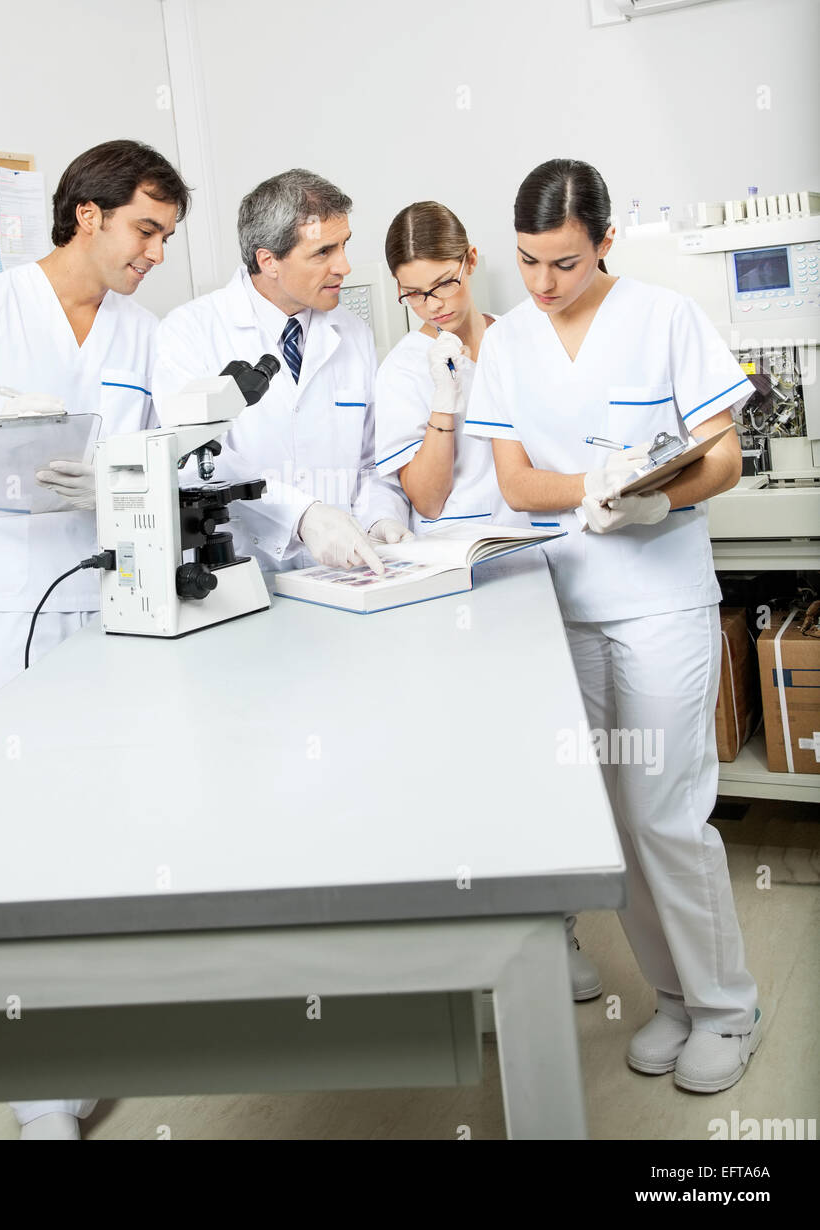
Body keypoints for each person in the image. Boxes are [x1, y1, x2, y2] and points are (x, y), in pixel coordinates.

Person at [0, 139, 191, 1138]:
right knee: (19, 838)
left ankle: (94, 1043)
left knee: (102, 823)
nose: (154, 251)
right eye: (145, 229)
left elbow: (159, 452)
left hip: (104, 595)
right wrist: (24, 466)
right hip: (0, 603)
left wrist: (128, 477)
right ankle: (38, 1099)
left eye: (165, 236)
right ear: (87, 214)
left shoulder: (141, 332)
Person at [465, 158, 761, 1092]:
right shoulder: (509, 340)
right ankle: (674, 1000)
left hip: (661, 600)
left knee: (667, 812)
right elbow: (514, 482)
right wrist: (593, 488)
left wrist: (656, 503)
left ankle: (729, 1007)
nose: (544, 285)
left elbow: (724, 458)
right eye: (527, 263)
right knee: (616, 820)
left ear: (604, 242)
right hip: (565, 603)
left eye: (565, 263)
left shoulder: (665, 318)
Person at [376, 199, 601, 1003]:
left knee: (555, 766)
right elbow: (429, 501)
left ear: (470, 260)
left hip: (544, 565)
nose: (434, 306)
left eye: (443, 284)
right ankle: (486, 948)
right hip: (455, 582)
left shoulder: (527, 338)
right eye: (414, 294)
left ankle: (558, 929)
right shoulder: (403, 369)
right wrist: (446, 405)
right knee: (478, 767)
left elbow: (560, 457)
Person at [152, 169, 411, 572]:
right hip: (243, 574)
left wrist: (381, 516)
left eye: (344, 246)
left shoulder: (353, 334)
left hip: (346, 575)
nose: (344, 265)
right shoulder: (189, 333)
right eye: (323, 252)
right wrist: (303, 516)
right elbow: (197, 461)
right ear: (268, 260)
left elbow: (372, 460)